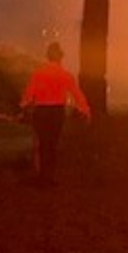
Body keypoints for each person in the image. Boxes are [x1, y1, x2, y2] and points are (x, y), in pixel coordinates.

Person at [19, 41, 92, 185]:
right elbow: (77, 95)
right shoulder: (65, 75)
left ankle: (42, 176)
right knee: (52, 144)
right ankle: (50, 177)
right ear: (60, 57)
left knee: (42, 144)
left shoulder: (39, 74)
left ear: (47, 56)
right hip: (57, 112)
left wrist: (23, 107)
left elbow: (29, 94)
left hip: (41, 112)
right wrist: (86, 110)